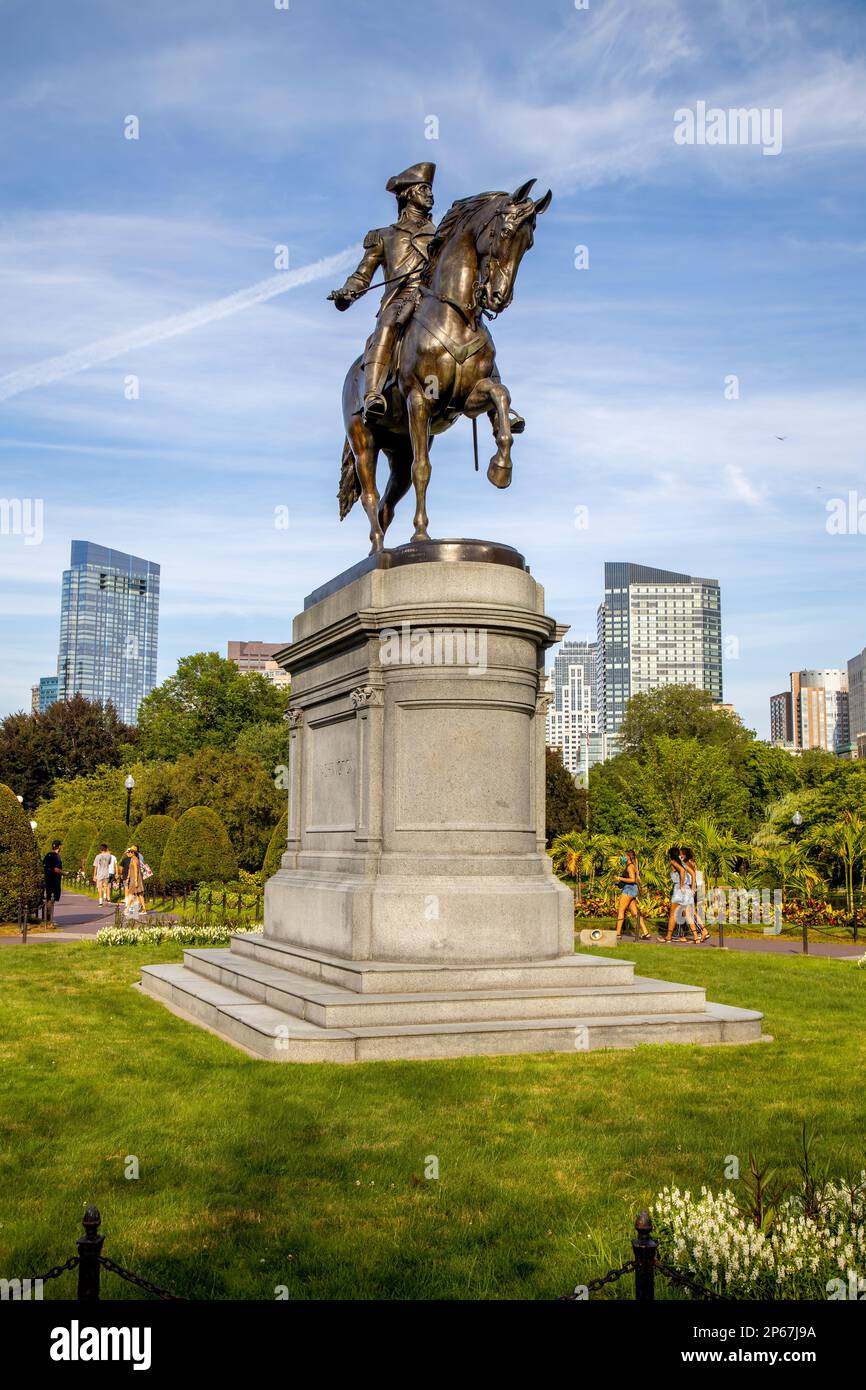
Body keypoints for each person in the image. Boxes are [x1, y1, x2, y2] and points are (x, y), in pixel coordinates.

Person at [328, 161, 436, 421]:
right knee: (386, 326)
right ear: (408, 194)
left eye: (430, 189)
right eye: (423, 189)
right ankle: (373, 393)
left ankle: (499, 404)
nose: (430, 194)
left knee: (472, 325)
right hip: (400, 300)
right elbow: (361, 276)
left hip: (432, 299)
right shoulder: (384, 236)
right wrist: (347, 292)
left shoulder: (441, 235)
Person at [614, 850, 650, 941]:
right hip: (632, 889)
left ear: (628, 857)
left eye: (624, 856)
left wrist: (619, 878)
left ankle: (617, 934)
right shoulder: (632, 866)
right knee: (634, 912)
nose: (623, 858)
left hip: (629, 889)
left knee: (621, 910)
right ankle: (646, 932)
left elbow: (632, 879)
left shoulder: (630, 867)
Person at [680, 846, 709, 944]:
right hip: (691, 888)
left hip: (688, 889)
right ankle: (701, 932)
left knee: (688, 913)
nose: (679, 855)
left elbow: (692, 875)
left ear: (684, 855)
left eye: (680, 854)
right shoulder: (691, 863)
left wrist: (691, 888)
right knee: (692, 912)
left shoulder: (685, 864)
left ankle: (701, 932)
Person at [121, 845, 146, 915]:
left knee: (131, 894)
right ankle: (144, 909)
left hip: (136, 879)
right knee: (139, 895)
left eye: (131, 852)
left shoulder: (135, 860)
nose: (129, 853)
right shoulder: (132, 859)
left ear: (134, 853)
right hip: (133, 878)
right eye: (129, 852)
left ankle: (127, 910)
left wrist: (135, 881)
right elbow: (129, 870)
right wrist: (128, 877)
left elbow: (136, 871)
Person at [42, 840, 63, 923]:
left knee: (48, 898)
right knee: (52, 899)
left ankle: (47, 918)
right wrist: (65, 873)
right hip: (55, 880)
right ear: (59, 847)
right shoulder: (56, 856)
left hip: (48, 879)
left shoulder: (48, 855)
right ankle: (49, 919)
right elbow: (56, 869)